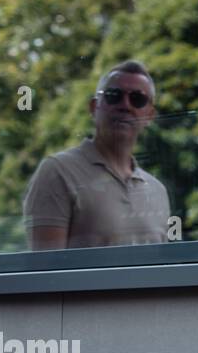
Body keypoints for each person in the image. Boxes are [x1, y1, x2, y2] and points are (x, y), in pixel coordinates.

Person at [23, 60, 171, 250]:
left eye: (137, 99)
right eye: (113, 96)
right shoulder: (57, 172)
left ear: (150, 115)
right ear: (94, 107)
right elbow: (46, 272)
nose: (125, 105)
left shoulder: (157, 191)